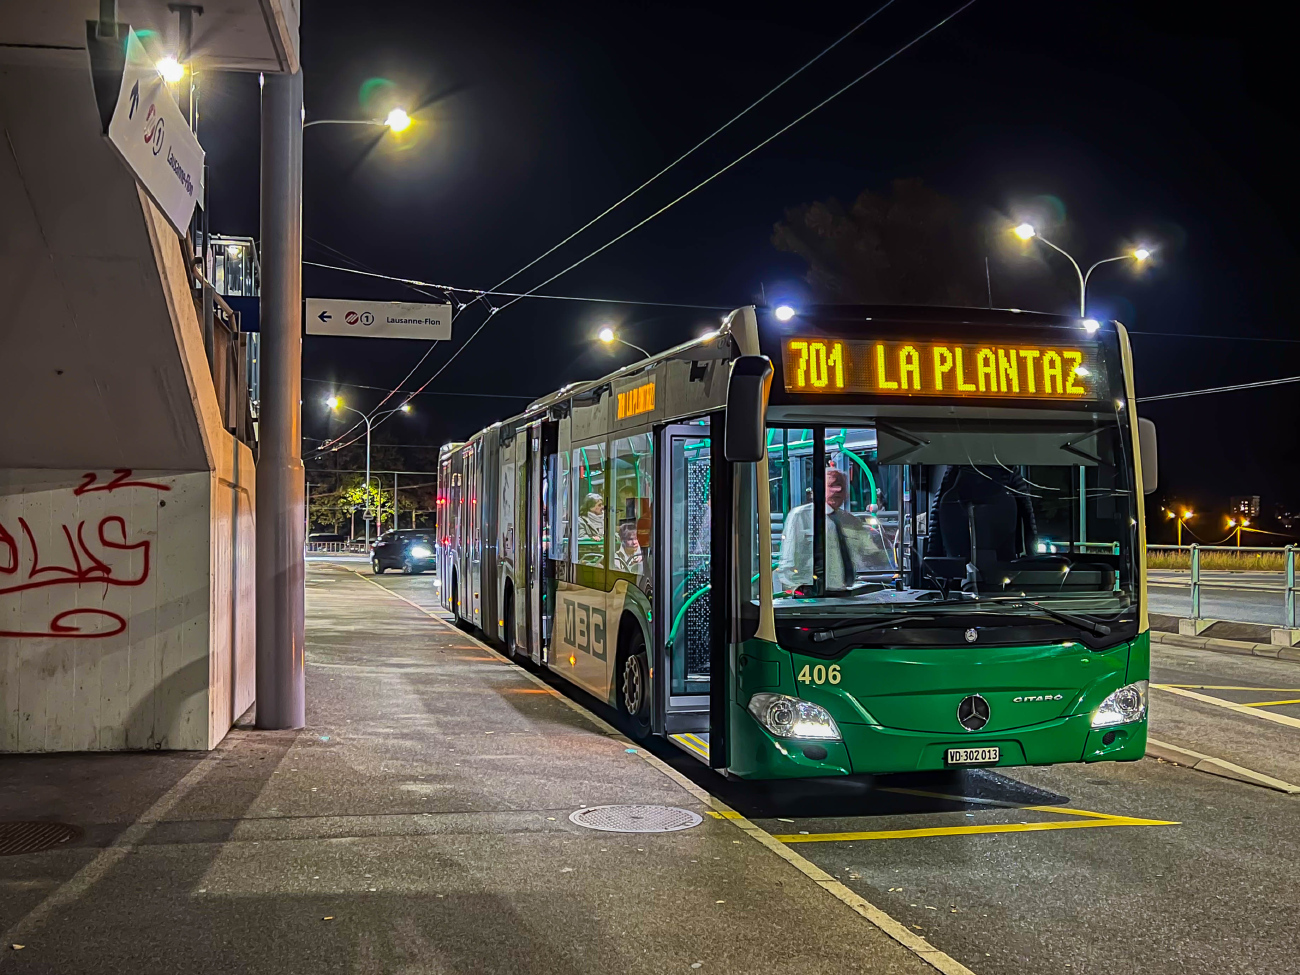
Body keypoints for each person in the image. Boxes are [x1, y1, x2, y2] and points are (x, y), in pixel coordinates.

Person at [776, 467, 891, 592]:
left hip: (842, 594)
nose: (838, 490)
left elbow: (873, 556)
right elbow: (788, 564)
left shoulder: (850, 521)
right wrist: (801, 592)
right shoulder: (800, 516)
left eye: (841, 486)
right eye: (832, 485)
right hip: (812, 596)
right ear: (818, 490)